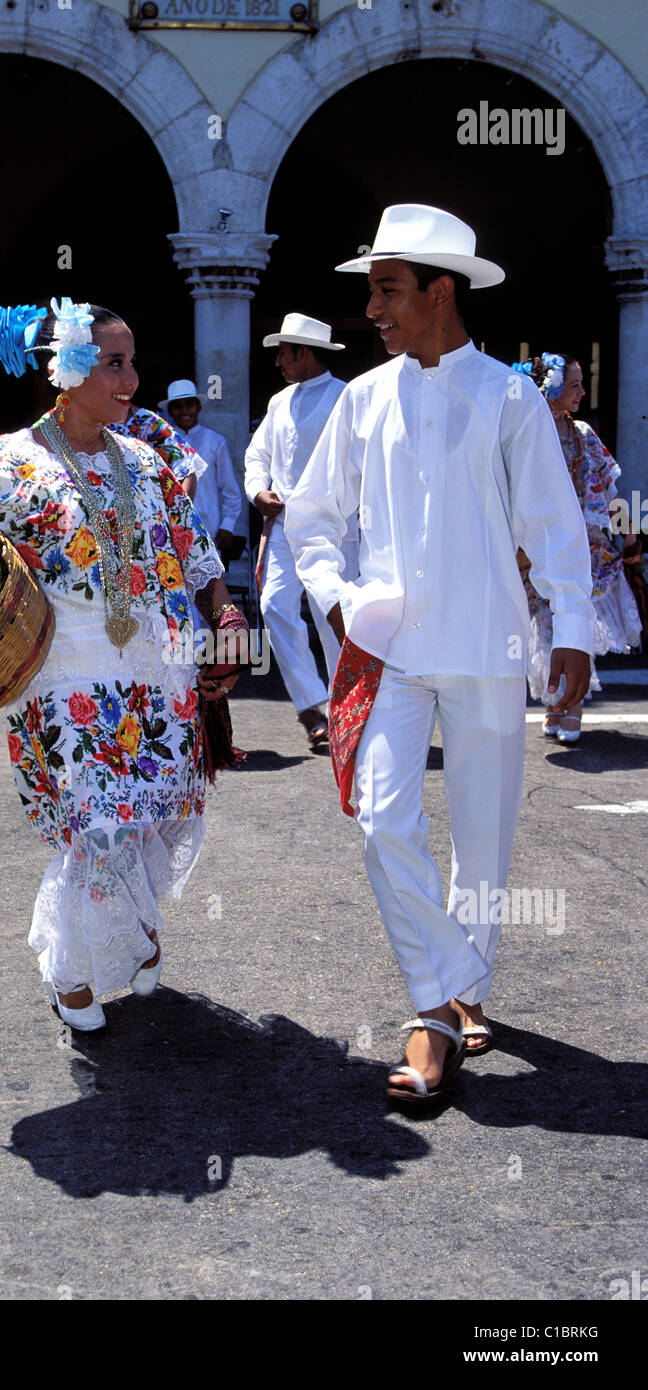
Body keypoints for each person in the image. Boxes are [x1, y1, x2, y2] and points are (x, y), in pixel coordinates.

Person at [286, 204, 594, 1103]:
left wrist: (570, 625)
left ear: (440, 292)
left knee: (484, 840)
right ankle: (442, 993)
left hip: (489, 645)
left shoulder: (507, 396)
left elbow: (551, 520)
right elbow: (310, 522)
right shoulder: (362, 399)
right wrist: (341, 600)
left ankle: (452, 1005)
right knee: (382, 817)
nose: (373, 309)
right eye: (372, 291)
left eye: (387, 290)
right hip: (390, 653)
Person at [0, 299, 245, 1032]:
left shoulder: (148, 457)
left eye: (133, 361)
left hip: (161, 670)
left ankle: (133, 933)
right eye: (114, 363)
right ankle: (68, 970)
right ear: (68, 368)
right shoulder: (11, 462)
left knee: (154, 818)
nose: (132, 379)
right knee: (101, 828)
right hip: (67, 678)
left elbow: (193, 548)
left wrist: (226, 615)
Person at [513, 352, 642, 743]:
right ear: (550, 391)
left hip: (584, 551)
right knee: (547, 629)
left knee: (572, 626)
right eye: (574, 385)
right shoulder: (523, 435)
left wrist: (631, 535)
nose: (582, 392)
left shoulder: (583, 434)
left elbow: (610, 490)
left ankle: (572, 704)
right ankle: (557, 701)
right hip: (535, 553)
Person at [245, 313, 358, 749]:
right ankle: (312, 705)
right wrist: (258, 491)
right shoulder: (279, 402)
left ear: (303, 353)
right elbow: (258, 457)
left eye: (283, 354)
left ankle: (347, 710)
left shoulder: (345, 397)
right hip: (284, 524)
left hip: (334, 527)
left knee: (334, 615)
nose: (279, 363)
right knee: (274, 605)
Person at [161, 378, 243, 566]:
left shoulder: (215, 441)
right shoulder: (162, 443)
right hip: (170, 526)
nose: (184, 411)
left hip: (209, 527)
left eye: (189, 404)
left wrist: (227, 525)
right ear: (170, 410)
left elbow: (230, 489)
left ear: (198, 406)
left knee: (208, 586)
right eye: (177, 406)